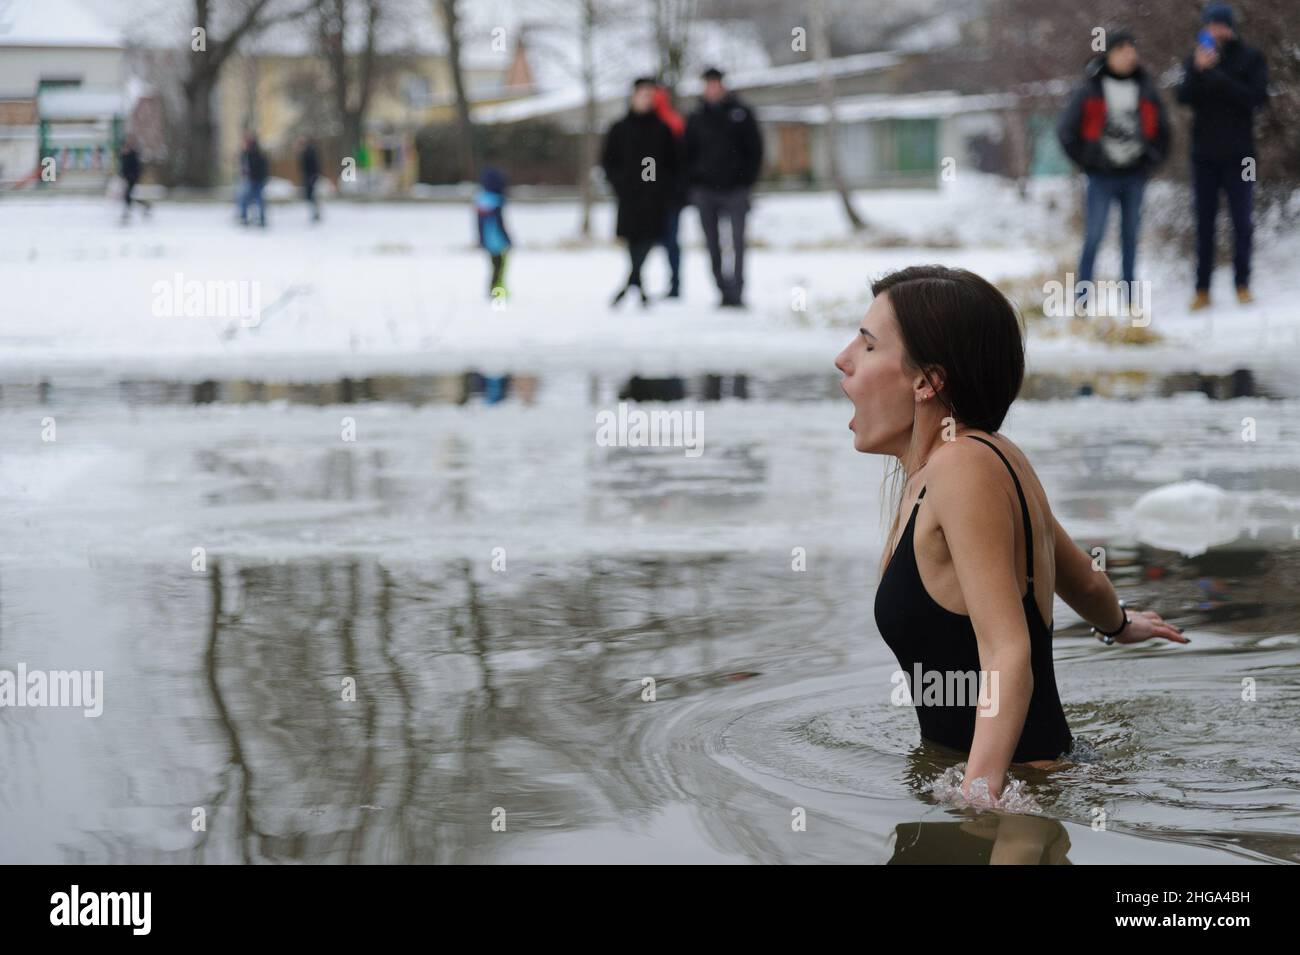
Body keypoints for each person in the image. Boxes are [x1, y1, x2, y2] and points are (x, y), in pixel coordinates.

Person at [835, 266, 1187, 804]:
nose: (843, 359)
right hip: (1036, 776)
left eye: (866, 345)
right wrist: (1118, 624)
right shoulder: (990, 457)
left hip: (1018, 788)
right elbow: (1083, 581)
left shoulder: (962, 470)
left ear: (927, 381)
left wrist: (979, 798)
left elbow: (1007, 651)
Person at [1056, 28, 1169, 314]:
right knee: (1093, 236)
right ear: (1109, 54)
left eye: (1132, 49)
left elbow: (1164, 131)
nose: (1129, 55)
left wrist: (1151, 160)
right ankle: (1081, 302)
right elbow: (1066, 130)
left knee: (1130, 237)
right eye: (1122, 49)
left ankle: (1130, 301)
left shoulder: (1144, 87)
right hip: (1101, 175)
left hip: (1134, 174)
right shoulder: (1091, 88)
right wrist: (1087, 161)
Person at [1175, 3, 1269, 309]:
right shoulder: (1196, 59)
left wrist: (1217, 76)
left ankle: (1243, 283)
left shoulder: (1251, 58)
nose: (1214, 30)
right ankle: (1202, 289)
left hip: (1243, 156)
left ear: (1230, 26)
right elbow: (1183, 96)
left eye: (1219, 24)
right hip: (1204, 154)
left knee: (1242, 220)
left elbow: (1256, 99)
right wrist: (1199, 71)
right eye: (1209, 25)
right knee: (1204, 224)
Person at [685, 67, 763, 308]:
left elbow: (755, 149)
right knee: (712, 243)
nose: (712, 88)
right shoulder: (696, 116)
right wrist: (694, 184)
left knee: (738, 242)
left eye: (716, 83)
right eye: (708, 84)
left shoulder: (741, 113)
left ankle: (738, 291)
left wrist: (746, 181)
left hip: (735, 190)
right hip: (705, 191)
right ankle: (722, 290)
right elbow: (685, 153)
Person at [601, 77, 680, 309]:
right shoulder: (619, 128)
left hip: (654, 198)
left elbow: (672, 163)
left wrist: (663, 187)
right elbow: (609, 161)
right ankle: (636, 283)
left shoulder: (662, 129)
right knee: (632, 239)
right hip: (629, 197)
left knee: (648, 238)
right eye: (642, 94)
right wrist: (620, 183)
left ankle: (631, 283)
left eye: (649, 95)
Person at [652, 84, 687, 299]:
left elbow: (678, 163)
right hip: (660, 196)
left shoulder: (672, 124)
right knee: (667, 242)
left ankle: (674, 285)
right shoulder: (673, 122)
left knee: (669, 241)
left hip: (668, 197)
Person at [474, 166, 512, 300]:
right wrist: (507, 239)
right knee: (500, 267)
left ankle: (494, 290)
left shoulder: (481, 200)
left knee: (494, 266)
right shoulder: (497, 201)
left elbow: (478, 223)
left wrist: (481, 239)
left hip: (487, 239)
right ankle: (498, 292)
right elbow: (500, 223)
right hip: (498, 240)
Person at [238, 132, 269, 228]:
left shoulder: (253, 153)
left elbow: (258, 167)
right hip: (254, 179)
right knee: (256, 200)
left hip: (254, 180)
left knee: (249, 199)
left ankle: (246, 217)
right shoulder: (250, 153)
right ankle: (255, 218)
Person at [118, 137, 151, 223]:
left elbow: (137, 167)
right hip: (126, 178)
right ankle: (145, 205)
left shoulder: (133, 154)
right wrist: (121, 175)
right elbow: (123, 167)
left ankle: (127, 211)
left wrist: (134, 176)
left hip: (132, 178)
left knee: (128, 195)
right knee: (129, 195)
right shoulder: (123, 155)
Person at [297, 135, 321, 222]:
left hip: (310, 177)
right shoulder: (308, 151)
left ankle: (316, 213)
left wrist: (313, 176)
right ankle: (315, 213)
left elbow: (313, 165)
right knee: (311, 196)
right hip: (309, 176)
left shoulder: (309, 152)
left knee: (311, 196)